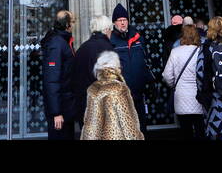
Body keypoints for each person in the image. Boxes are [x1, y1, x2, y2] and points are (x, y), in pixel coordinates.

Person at [110, 3, 154, 131]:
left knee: (140, 129)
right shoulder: (110, 41)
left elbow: (146, 61)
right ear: (114, 23)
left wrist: (151, 81)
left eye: (125, 20)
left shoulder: (138, 38)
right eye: (120, 20)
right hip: (121, 96)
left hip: (139, 94)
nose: (123, 23)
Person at [80, 51, 144, 140]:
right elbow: (128, 124)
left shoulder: (93, 88)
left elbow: (89, 122)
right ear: (116, 68)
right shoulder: (119, 88)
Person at [69, 14, 115, 127]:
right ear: (105, 30)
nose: (111, 33)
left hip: (84, 108)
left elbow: (74, 80)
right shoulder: (106, 48)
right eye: (110, 29)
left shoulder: (82, 48)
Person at [162, 23, 204, 139]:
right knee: (201, 129)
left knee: (186, 131)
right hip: (198, 96)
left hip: (181, 96)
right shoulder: (201, 51)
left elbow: (167, 75)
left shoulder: (175, 52)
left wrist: (174, 85)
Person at [40, 10, 76, 140]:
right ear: (66, 24)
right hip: (61, 110)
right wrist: (57, 113)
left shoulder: (63, 41)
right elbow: (52, 80)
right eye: (72, 22)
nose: (74, 24)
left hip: (66, 106)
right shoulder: (56, 44)